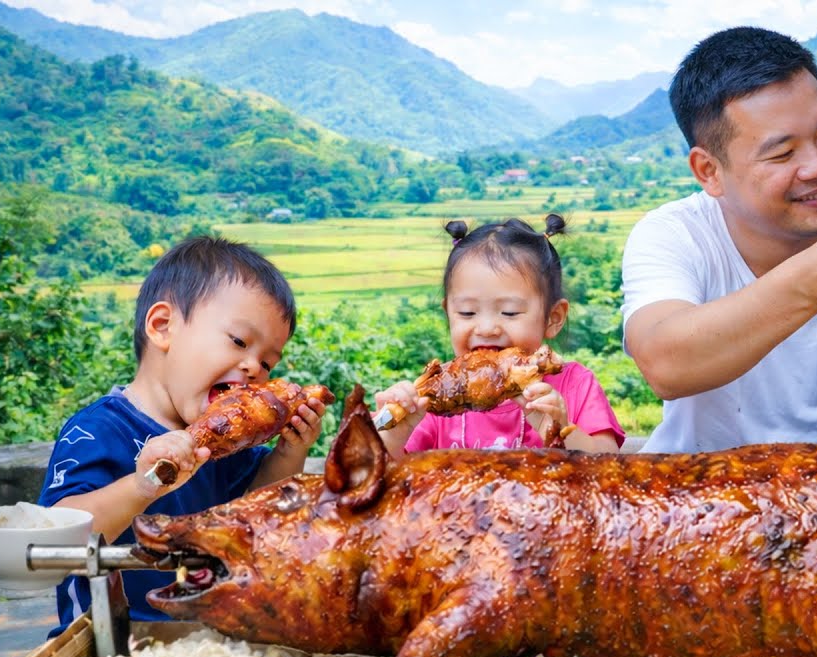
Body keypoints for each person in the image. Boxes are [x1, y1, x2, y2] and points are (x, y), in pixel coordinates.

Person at [620, 26, 817, 453]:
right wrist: (811, 281)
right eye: (782, 154)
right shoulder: (675, 234)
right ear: (709, 171)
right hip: (697, 501)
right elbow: (664, 361)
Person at [37, 234, 328, 633]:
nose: (254, 368)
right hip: (108, 643)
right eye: (239, 341)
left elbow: (257, 511)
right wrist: (143, 486)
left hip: (209, 643)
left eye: (268, 361)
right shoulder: (98, 430)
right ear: (162, 327)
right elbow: (55, 542)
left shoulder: (227, 443)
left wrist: (288, 453)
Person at [376, 214, 625, 456]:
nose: (486, 328)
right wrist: (395, 433)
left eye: (509, 312)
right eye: (467, 312)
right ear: (448, 313)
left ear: (553, 317)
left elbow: (610, 463)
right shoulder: (432, 397)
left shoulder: (576, 385)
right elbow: (383, 472)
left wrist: (561, 430)